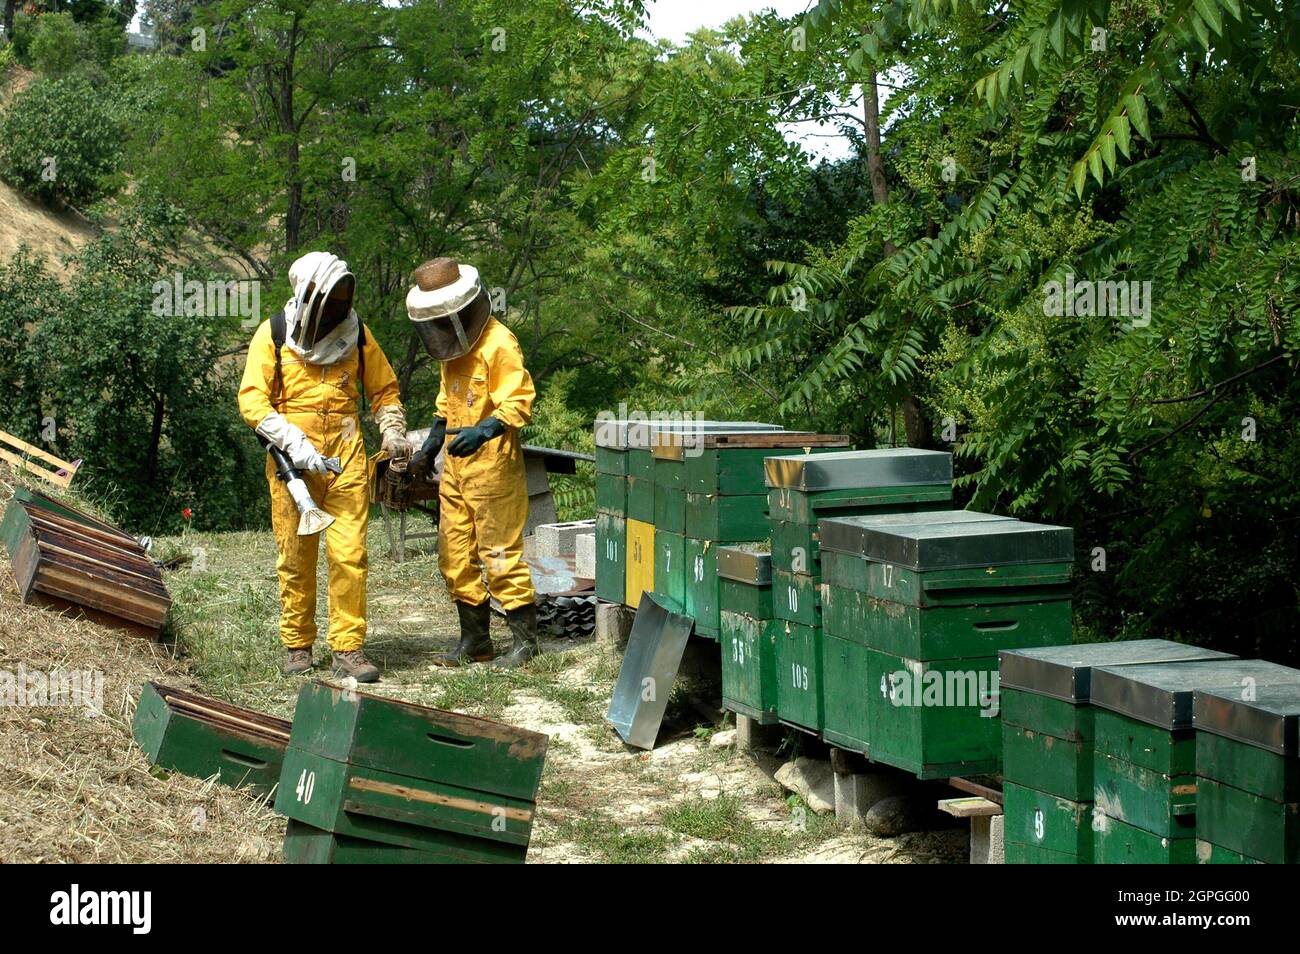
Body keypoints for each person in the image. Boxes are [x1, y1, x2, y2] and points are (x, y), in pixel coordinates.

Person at [238, 252, 412, 682]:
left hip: (346, 455)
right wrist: (291, 439)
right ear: (309, 296)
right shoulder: (273, 333)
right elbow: (252, 399)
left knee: (349, 555)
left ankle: (348, 647)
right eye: (328, 300)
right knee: (295, 557)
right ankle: (298, 644)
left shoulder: (359, 336)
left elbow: (385, 391)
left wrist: (392, 431)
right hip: (292, 467)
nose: (336, 308)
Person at [405, 257, 539, 668]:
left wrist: (483, 430)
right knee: (454, 554)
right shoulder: (450, 349)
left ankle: (525, 643)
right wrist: (429, 445)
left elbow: (518, 401)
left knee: (498, 553)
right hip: (456, 469)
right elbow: (446, 404)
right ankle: (476, 642)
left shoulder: (499, 343)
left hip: (493, 467)